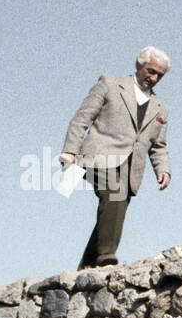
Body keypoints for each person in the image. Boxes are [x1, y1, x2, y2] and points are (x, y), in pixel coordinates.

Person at [58, 46, 172, 269]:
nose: (154, 77)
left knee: (113, 213)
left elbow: (158, 145)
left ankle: (87, 267)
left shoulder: (160, 108)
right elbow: (82, 118)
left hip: (130, 169)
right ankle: (107, 255)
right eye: (151, 71)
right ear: (139, 65)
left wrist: (163, 168)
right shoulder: (110, 84)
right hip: (98, 156)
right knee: (114, 192)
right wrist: (70, 151)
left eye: (159, 74)